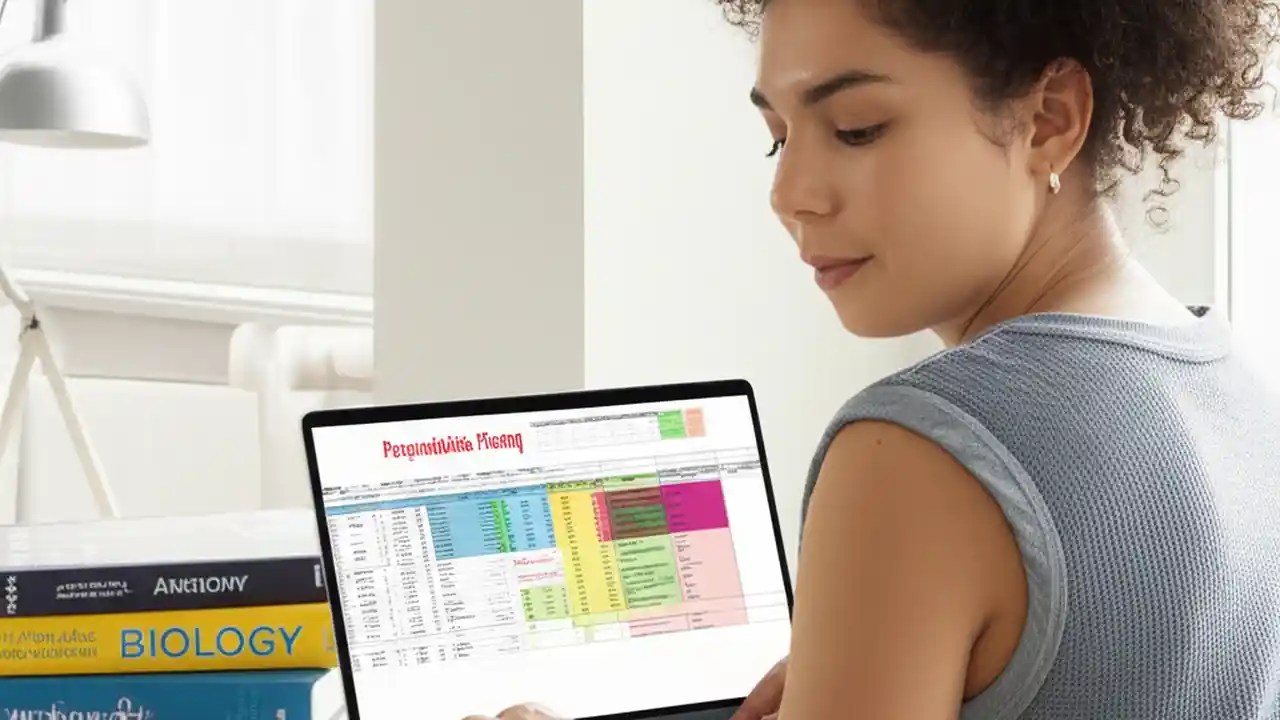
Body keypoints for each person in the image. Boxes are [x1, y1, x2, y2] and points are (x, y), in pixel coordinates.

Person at [462, 0, 1280, 717]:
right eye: (777, 138)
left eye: (856, 128)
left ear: (1050, 118)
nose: (791, 194)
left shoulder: (917, 455)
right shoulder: (1237, 389)